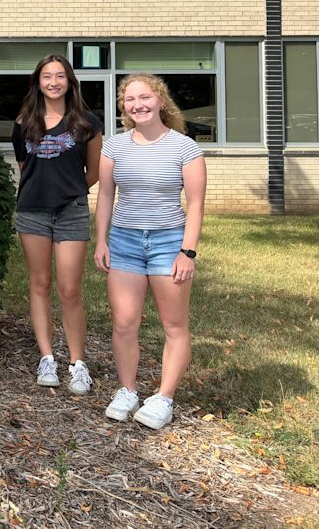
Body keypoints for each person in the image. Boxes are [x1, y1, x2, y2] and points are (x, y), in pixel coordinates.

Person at [94, 74, 206, 430]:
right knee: (124, 323)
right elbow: (106, 197)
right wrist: (102, 240)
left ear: (160, 101)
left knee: (174, 325)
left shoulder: (184, 148)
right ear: (123, 106)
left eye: (144, 97)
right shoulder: (114, 146)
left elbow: (196, 203)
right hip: (124, 241)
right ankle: (127, 390)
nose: (137, 105)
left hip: (169, 242)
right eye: (129, 99)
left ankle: (164, 398)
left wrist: (186, 252)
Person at [11, 54, 102, 394]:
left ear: (69, 82)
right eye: (46, 76)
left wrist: (68, 192)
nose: (53, 82)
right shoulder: (24, 122)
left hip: (71, 211)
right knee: (40, 283)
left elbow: (92, 173)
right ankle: (47, 357)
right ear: (38, 82)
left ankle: (78, 363)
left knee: (69, 289)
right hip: (32, 211)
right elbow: (25, 167)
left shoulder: (87, 122)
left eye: (59, 76)